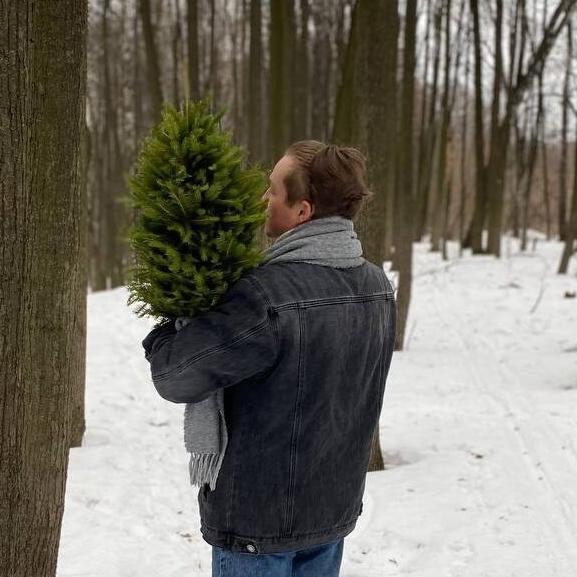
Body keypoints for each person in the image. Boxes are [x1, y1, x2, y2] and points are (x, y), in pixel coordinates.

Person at [142, 140, 396, 577]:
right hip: (332, 512)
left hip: (258, 525)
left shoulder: (265, 295)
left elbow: (176, 376)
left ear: (302, 211)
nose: (261, 199)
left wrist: (174, 323)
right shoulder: (377, 285)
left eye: (272, 190)